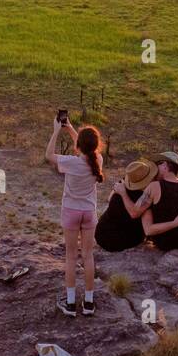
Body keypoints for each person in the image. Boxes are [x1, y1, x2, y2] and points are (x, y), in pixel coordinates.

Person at [46, 116, 103, 316]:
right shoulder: (98, 160)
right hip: (89, 212)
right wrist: (70, 128)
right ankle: (88, 302)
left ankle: (70, 303)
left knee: (70, 257)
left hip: (71, 211)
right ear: (97, 146)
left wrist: (56, 130)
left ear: (78, 145)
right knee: (88, 256)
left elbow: (49, 155)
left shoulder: (70, 162)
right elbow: (87, 148)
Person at [96, 159, 161, 252]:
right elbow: (134, 214)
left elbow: (110, 198)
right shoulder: (144, 197)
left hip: (101, 233)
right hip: (120, 240)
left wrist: (122, 193)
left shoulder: (122, 184)